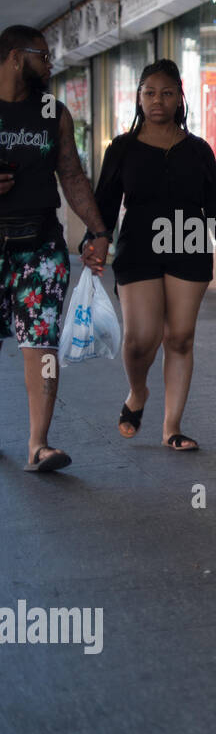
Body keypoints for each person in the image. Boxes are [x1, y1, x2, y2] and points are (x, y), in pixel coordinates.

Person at [85, 58, 216, 452]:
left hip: (188, 244)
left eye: (167, 93)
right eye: (150, 93)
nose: (158, 100)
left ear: (180, 99)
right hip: (138, 246)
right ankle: (137, 393)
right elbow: (104, 204)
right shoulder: (122, 149)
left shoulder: (198, 150)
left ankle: (171, 428)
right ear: (139, 98)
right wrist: (96, 241)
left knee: (180, 337)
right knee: (141, 339)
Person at [0, 25, 111, 472]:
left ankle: (38, 445)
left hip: (40, 246)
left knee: (41, 343)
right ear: (13, 57)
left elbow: (72, 175)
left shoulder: (52, 112)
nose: (50, 64)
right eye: (42, 56)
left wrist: (98, 229)